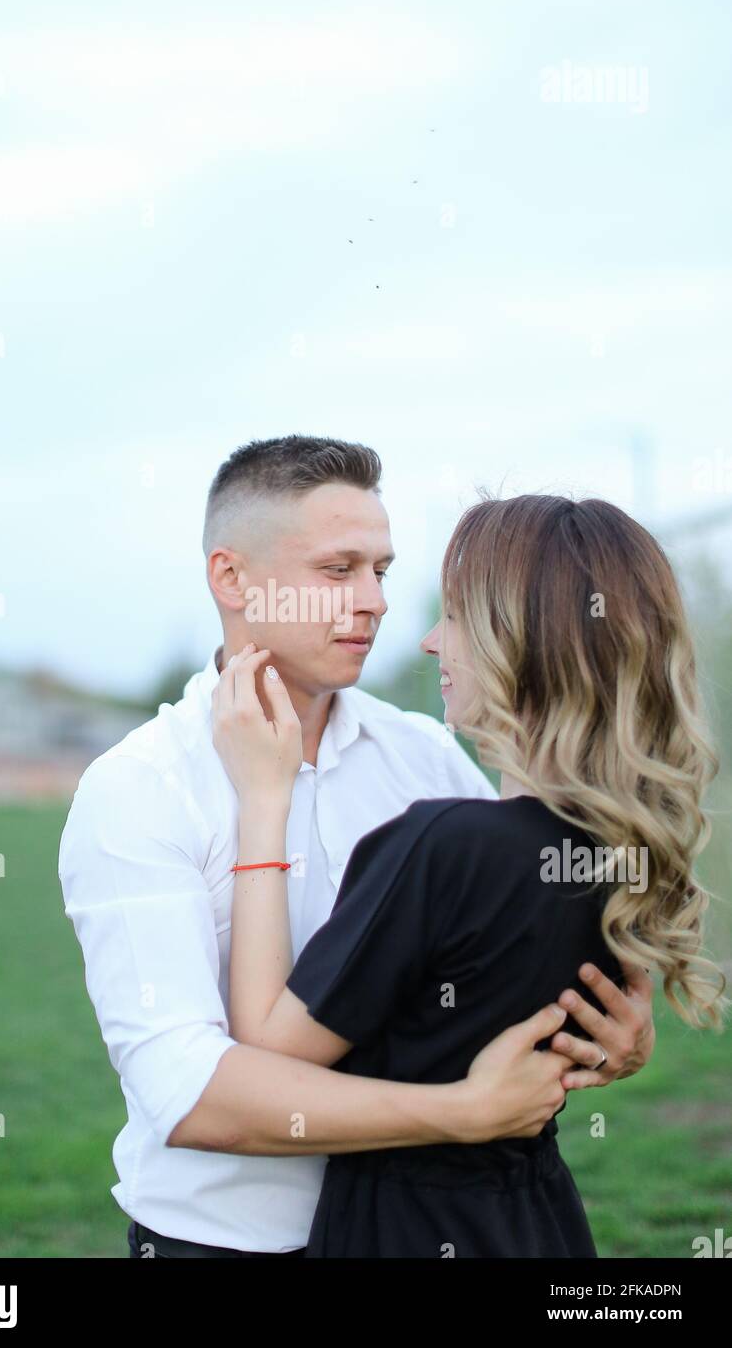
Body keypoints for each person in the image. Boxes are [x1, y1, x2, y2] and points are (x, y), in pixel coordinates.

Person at [58, 438, 655, 1259]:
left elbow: (513, 965)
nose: (373, 602)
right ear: (231, 578)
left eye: (381, 570)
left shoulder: (427, 757)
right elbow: (189, 1094)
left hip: (415, 1234)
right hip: (225, 1246)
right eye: (338, 571)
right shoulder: (138, 787)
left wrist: (609, 1035)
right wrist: (459, 1113)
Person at [210, 491, 728, 1257]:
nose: (429, 642)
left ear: (522, 645)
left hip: (408, 1232)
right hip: (542, 1223)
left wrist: (264, 799)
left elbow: (265, 1050)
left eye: (453, 617)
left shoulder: (444, 846)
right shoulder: (621, 846)